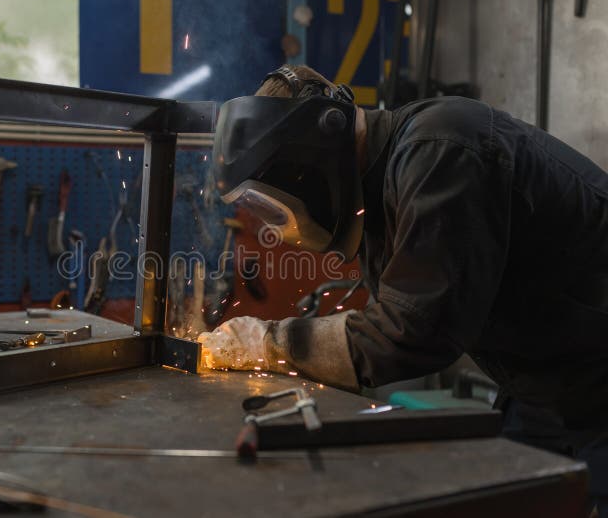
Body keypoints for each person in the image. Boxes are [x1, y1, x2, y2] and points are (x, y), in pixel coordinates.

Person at [199, 64, 608, 512]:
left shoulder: (439, 150)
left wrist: (271, 344)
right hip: (544, 388)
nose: (283, 226)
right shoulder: (381, 191)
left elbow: (412, 330)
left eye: (271, 204)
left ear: (307, 156)